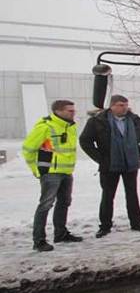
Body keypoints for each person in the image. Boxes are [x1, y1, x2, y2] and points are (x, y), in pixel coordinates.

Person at [80, 94, 140, 237]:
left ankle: (137, 223)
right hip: (110, 165)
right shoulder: (98, 121)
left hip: (131, 163)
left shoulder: (135, 120)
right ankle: (105, 226)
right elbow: (85, 141)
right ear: (112, 106)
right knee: (108, 195)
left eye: (126, 105)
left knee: (132, 194)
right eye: (120, 105)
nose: (124, 107)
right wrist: (100, 159)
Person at [22, 99, 82, 251]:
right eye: (70, 110)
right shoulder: (45, 127)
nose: (73, 113)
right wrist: (36, 170)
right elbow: (28, 149)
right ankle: (39, 240)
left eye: (73, 110)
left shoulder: (70, 127)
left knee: (64, 202)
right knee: (45, 205)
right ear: (58, 111)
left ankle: (60, 234)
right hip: (50, 173)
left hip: (66, 172)